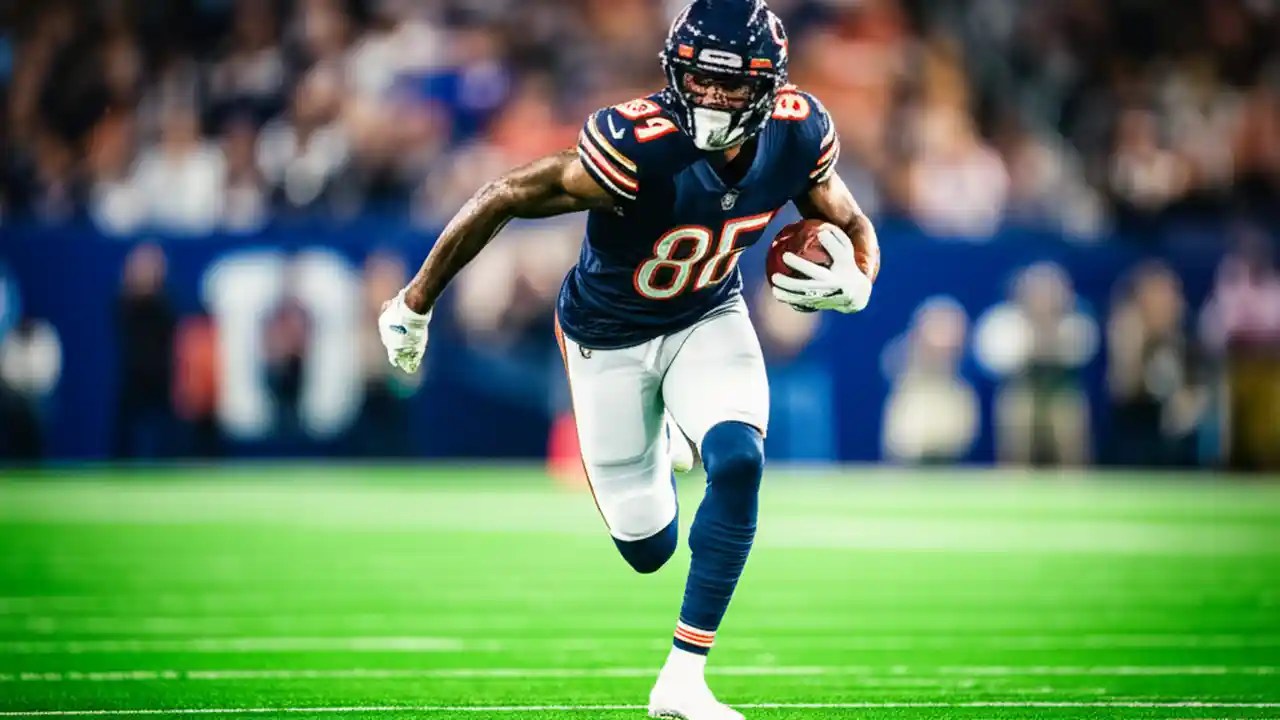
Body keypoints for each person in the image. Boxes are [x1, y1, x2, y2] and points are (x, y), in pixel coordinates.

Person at [377, 2, 879, 718]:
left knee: (738, 462)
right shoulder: (639, 144)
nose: (712, 97)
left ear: (767, 89)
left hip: (708, 314)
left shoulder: (797, 134)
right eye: (701, 79)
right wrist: (416, 302)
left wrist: (861, 277)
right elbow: (507, 193)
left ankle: (683, 678)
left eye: (732, 86)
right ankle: (669, 434)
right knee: (648, 547)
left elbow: (852, 221)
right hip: (606, 339)